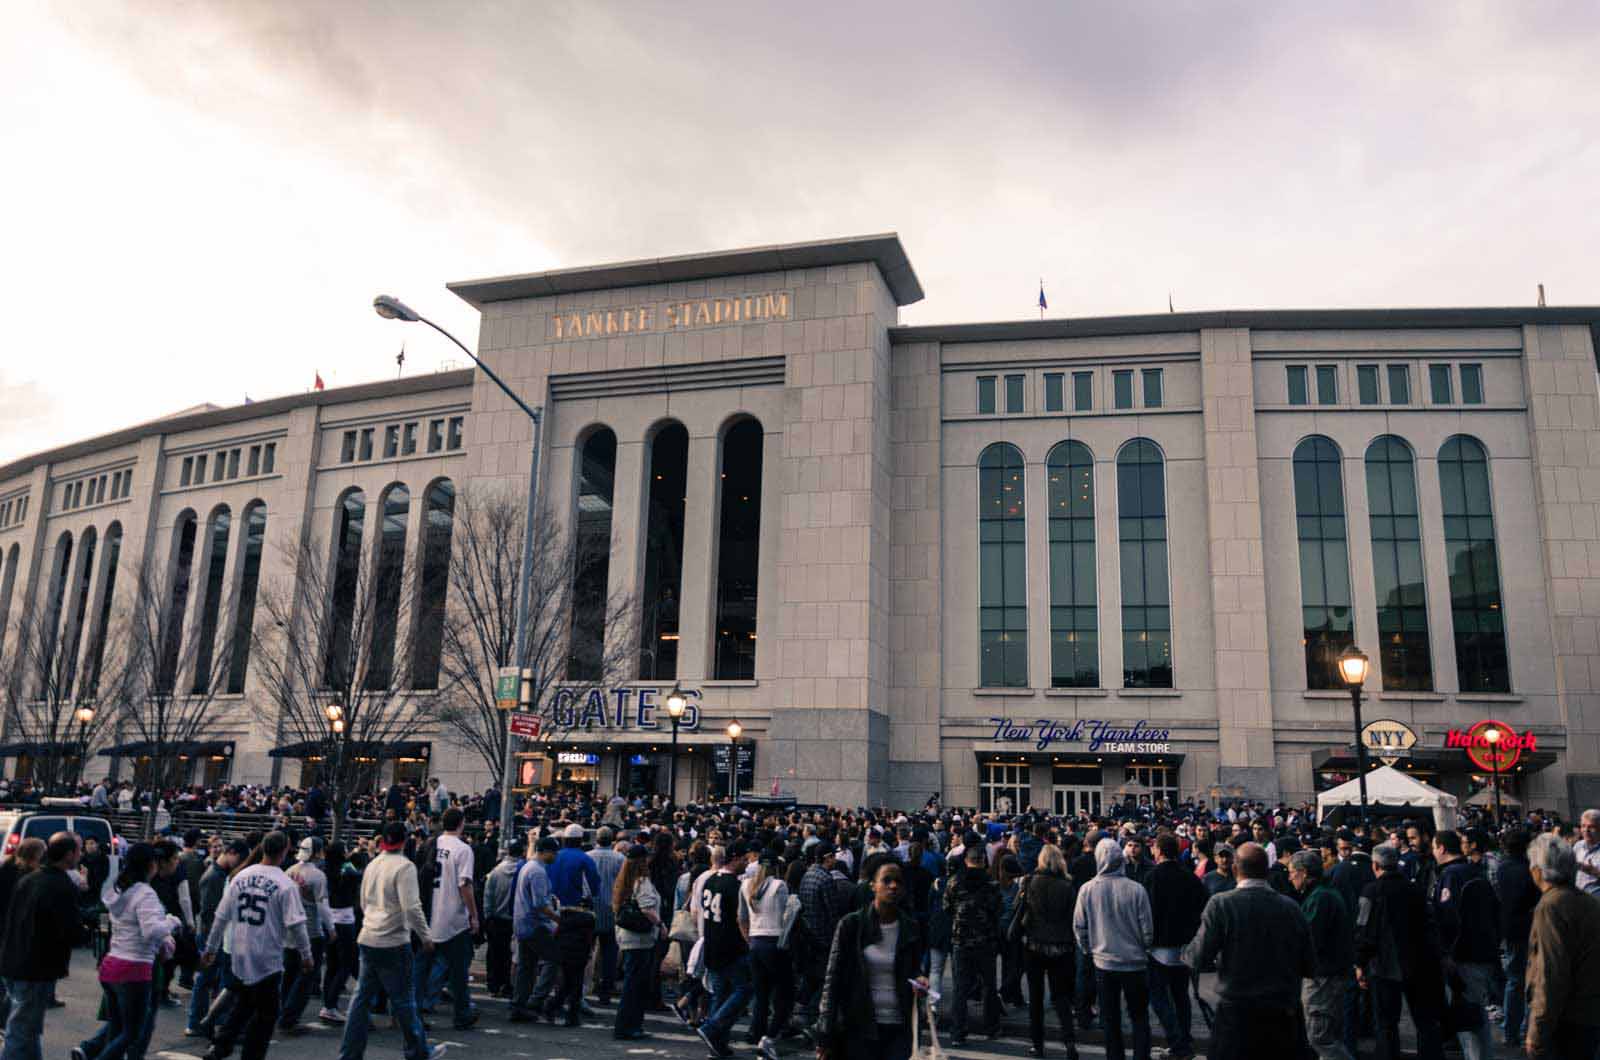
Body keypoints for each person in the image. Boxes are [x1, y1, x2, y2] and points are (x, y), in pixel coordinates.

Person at [1182, 841, 1314, 1060]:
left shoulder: (1221, 904)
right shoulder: (1291, 907)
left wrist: (1186, 953)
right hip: (1281, 1013)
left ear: (1235, 869)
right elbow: (1309, 965)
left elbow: (1198, 957)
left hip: (1237, 1013)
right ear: (1267, 871)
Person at [201, 830, 314, 1060]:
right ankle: (248, 1054)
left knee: (245, 1002)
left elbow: (221, 916)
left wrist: (211, 947)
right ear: (284, 851)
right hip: (266, 955)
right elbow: (297, 925)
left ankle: (220, 1045)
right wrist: (306, 954)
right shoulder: (285, 884)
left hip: (240, 949)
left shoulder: (240, 876)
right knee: (266, 1014)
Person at [336, 821, 442, 1060]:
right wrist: (425, 936)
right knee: (404, 1000)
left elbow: (363, 902)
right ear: (405, 841)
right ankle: (418, 1051)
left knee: (361, 999)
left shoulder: (373, 864)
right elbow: (411, 907)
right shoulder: (405, 867)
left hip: (368, 935)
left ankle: (350, 1053)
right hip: (393, 940)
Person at [72, 844, 183, 1060]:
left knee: (116, 1029)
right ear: (150, 865)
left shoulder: (119, 888)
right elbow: (152, 931)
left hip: (111, 964)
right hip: (134, 968)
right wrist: (172, 921)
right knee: (132, 1033)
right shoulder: (145, 893)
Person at [816, 859, 927, 1060]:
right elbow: (833, 980)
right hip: (859, 1027)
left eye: (898, 881)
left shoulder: (910, 927)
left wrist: (920, 980)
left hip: (899, 1029)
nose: (893, 886)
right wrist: (825, 1032)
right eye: (887, 880)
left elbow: (914, 970)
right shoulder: (851, 925)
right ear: (873, 885)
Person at [0, 831, 89, 1060]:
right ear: (69, 854)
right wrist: (84, 930)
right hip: (36, 966)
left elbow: (11, 919)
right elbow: (70, 929)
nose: (80, 855)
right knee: (22, 1028)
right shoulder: (60, 885)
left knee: (29, 1027)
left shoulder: (29, 879)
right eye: (78, 851)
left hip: (15, 959)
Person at [1355, 842, 1445, 1060]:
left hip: (1384, 965)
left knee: (1386, 1024)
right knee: (1425, 1022)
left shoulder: (1371, 891)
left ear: (1375, 865)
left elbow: (1364, 930)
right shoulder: (1415, 890)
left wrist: (1359, 963)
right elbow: (1430, 924)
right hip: (1419, 963)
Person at [1074, 837, 1153, 1060]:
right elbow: (1147, 930)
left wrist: (1089, 949)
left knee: (1110, 1018)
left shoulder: (1087, 889)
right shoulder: (1137, 889)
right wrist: (1143, 948)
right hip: (1134, 962)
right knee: (1139, 1016)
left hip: (1104, 962)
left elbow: (1079, 927)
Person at [1523, 832, 1600, 1059]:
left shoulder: (1551, 906)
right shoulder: (1587, 901)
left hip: (1566, 1018)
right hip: (1587, 1013)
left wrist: (1537, 1030)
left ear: (1538, 870)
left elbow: (1550, 972)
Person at [1430, 829, 1498, 1060]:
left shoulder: (1451, 875)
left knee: (1469, 1025)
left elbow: (1447, 918)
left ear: (1441, 848)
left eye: (1434, 847)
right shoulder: (1474, 871)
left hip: (1463, 957)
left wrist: (1446, 954)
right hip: (1481, 952)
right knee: (1475, 1019)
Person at [414, 807, 479, 1031]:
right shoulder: (463, 849)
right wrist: (474, 915)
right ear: (461, 823)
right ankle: (462, 1013)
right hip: (453, 917)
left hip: (427, 913)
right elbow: (465, 885)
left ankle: (413, 1012)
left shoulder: (429, 844)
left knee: (420, 968)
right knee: (458, 970)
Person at [1289, 848, 1356, 1060]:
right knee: (1327, 1035)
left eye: (1292, 872)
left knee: (1320, 1037)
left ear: (1304, 873)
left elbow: (1309, 940)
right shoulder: (1324, 893)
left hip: (1323, 979)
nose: (1290, 877)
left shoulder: (1320, 898)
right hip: (1330, 975)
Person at [1144, 833, 1205, 1060]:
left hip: (1158, 946)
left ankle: (1177, 1041)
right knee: (1181, 996)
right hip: (1184, 946)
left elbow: (1147, 911)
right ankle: (1185, 1039)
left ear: (1159, 851)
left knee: (1159, 997)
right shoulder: (1190, 877)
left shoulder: (1152, 877)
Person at [1016, 842, 1078, 1060]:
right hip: (1061, 946)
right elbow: (1073, 918)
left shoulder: (1030, 882)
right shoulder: (1068, 886)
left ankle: (1037, 1044)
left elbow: (1021, 910)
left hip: (1034, 944)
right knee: (1061, 998)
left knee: (1036, 997)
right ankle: (1069, 1041)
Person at [696, 840, 754, 1059]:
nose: (746, 864)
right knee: (744, 989)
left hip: (712, 943)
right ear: (735, 859)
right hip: (731, 946)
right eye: (744, 860)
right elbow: (741, 919)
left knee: (719, 995)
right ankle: (712, 1028)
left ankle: (717, 1044)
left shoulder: (710, 880)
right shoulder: (735, 886)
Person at [945, 840, 1002, 1046]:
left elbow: (947, 907)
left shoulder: (954, 882)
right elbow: (998, 910)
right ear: (983, 861)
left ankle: (958, 1032)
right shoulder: (991, 884)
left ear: (966, 861)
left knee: (960, 988)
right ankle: (991, 1027)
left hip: (961, 940)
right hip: (986, 940)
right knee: (989, 985)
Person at [187, 839, 246, 1037]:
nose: (239, 864)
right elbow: (209, 913)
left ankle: (204, 1023)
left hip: (213, 934)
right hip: (210, 935)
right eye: (239, 859)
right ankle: (197, 1023)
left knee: (210, 980)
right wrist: (213, 941)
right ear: (231, 853)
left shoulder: (220, 874)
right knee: (206, 980)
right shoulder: (213, 877)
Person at [741, 852, 793, 1052]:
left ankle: (756, 1031)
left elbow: (741, 917)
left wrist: (750, 940)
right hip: (774, 941)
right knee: (783, 993)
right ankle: (771, 1034)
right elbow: (785, 918)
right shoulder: (779, 886)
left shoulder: (746, 885)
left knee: (761, 993)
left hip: (755, 941)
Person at [613, 844, 661, 1040]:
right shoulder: (642, 881)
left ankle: (626, 1025)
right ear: (643, 860)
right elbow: (647, 908)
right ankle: (629, 1026)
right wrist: (661, 924)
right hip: (640, 938)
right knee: (636, 985)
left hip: (626, 936)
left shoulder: (623, 880)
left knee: (631, 983)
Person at [509, 835, 560, 1021]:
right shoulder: (538, 871)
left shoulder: (528, 866)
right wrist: (558, 920)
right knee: (554, 959)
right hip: (535, 925)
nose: (556, 856)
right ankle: (537, 1000)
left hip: (523, 923)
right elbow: (540, 904)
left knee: (526, 966)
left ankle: (519, 1006)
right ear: (545, 852)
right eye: (554, 853)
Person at [1496, 829, 1538, 1049]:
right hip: (1529, 929)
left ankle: (1509, 1030)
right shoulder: (1529, 870)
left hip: (1510, 930)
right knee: (1531, 982)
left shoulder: (1502, 868)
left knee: (1514, 981)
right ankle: (1525, 1029)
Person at [320, 840, 361, 1024]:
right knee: (347, 963)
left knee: (332, 964)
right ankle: (330, 1004)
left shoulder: (325, 870)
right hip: (344, 919)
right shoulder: (347, 869)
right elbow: (358, 876)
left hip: (330, 918)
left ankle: (328, 1004)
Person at [587, 826, 624, 1006]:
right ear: (612, 840)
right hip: (611, 909)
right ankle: (606, 989)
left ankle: (585, 986)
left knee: (586, 951)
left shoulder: (588, 857)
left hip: (590, 909)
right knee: (610, 952)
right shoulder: (620, 859)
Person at [481, 842, 522, 998]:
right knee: (511, 955)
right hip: (515, 919)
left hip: (496, 919)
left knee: (494, 953)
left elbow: (488, 896)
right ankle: (508, 985)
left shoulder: (496, 871)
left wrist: (487, 917)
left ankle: (493, 985)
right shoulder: (523, 870)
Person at [1572, 808, 1600, 896]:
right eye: (1583, 826)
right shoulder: (1578, 845)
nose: (1586, 830)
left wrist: (1596, 873)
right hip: (1576, 897)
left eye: (1591, 827)